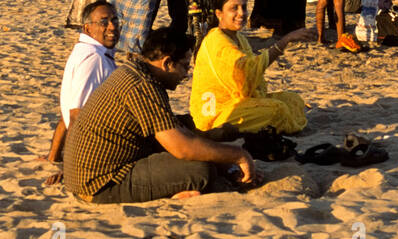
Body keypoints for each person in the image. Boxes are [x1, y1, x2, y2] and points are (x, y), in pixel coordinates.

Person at [63, 27, 256, 204]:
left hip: (96, 172)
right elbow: (183, 148)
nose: (186, 75)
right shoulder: (141, 86)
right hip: (101, 184)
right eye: (185, 66)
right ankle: (171, 191)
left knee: (191, 127)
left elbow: (173, 128)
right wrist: (239, 156)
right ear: (167, 63)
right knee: (199, 170)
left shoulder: (137, 73)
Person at [191, 0, 308, 134]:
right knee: (278, 110)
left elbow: (253, 75)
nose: (241, 13)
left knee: (293, 100)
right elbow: (248, 71)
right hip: (218, 113)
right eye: (234, 8)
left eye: (244, 8)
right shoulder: (217, 41)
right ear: (219, 14)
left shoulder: (238, 37)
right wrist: (284, 42)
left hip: (240, 100)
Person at [42, 0, 120, 181]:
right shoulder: (94, 59)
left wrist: (53, 156)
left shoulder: (85, 50)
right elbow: (76, 115)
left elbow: (67, 112)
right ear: (87, 28)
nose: (112, 27)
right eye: (104, 22)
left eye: (115, 21)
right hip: (99, 149)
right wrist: (70, 169)